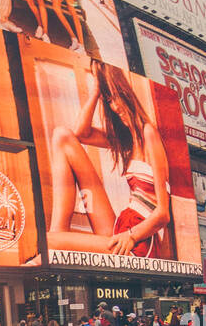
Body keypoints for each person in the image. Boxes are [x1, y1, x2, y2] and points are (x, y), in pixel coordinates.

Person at [46, 60, 173, 260]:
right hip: (120, 228)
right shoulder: (126, 141)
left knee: (49, 241)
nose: (114, 107)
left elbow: (163, 214)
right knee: (61, 136)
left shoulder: (148, 133)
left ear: (126, 93)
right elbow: (80, 133)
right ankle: (57, 235)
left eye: (116, 98)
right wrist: (97, 90)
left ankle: (54, 244)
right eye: (109, 100)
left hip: (139, 243)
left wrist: (131, 236)